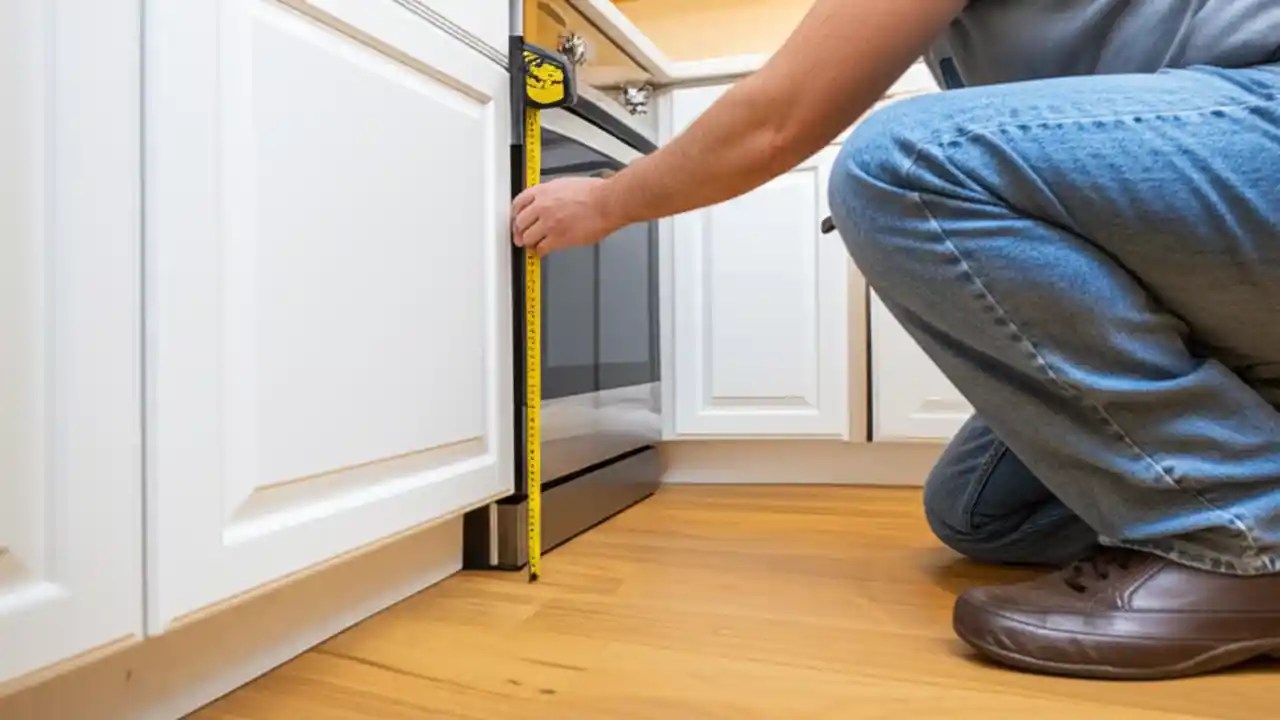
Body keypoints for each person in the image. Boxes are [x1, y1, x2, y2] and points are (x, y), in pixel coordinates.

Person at [510, 0, 1280, 680]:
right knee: (977, 512)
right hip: (1222, 240)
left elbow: (778, 117)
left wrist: (609, 200)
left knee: (898, 164)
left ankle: (1247, 538)